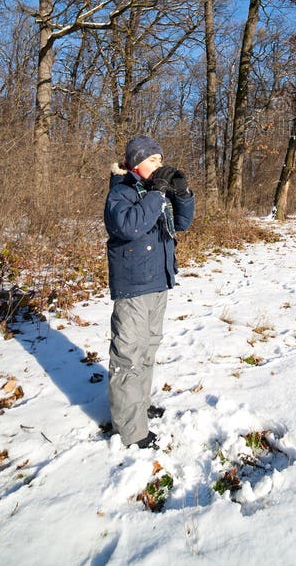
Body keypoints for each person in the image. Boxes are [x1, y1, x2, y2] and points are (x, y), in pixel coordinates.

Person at [104, 135, 195, 449]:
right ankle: (130, 430)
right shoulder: (122, 191)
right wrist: (157, 192)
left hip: (157, 281)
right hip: (133, 285)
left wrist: (181, 193)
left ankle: (138, 407)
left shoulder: (155, 193)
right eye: (154, 160)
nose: (160, 165)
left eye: (160, 160)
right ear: (137, 162)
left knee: (147, 351)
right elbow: (130, 226)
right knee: (128, 355)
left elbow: (181, 223)